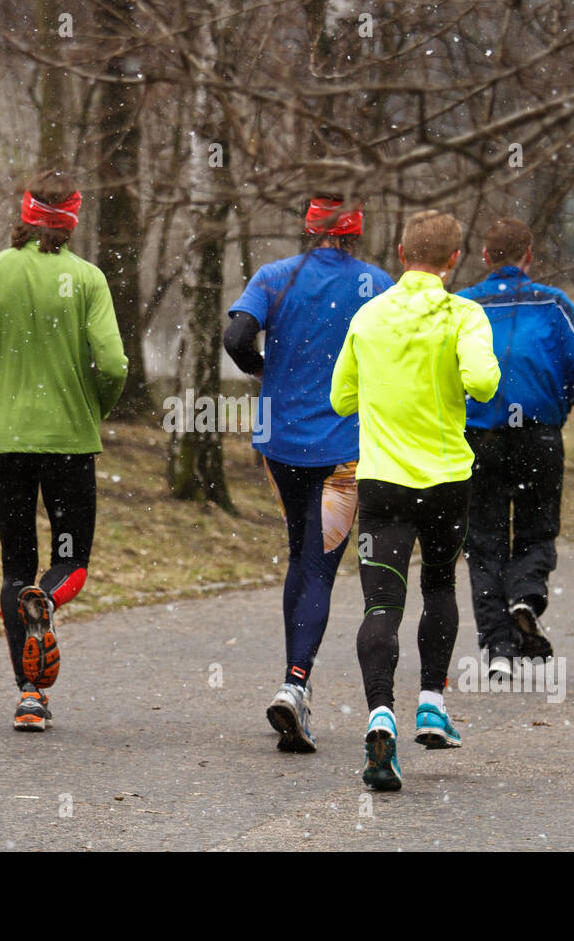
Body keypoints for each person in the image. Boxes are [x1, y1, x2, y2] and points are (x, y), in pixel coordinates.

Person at [0, 170, 127, 732]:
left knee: (14, 564)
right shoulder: (87, 279)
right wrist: (97, 407)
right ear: (71, 220)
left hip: (6, 443)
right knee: (70, 560)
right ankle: (45, 600)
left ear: (23, 217)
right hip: (69, 442)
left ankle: (29, 695)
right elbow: (114, 365)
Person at [330, 210, 499, 791]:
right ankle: (431, 702)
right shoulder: (466, 315)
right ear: (456, 260)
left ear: (401, 252)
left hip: (382, 484)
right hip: (448, 480)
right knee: (439, 587)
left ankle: (381, 716)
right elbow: (483, 383)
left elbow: (341, 398)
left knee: (382, 605)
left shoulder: (368, 314)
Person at [224, 196, 394, 753]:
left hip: (281, 442)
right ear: (357, 232)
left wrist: (261, 369)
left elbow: (235, 338)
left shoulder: (275, 276)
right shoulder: (375, 284)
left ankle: (293, 680)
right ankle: (295, 684)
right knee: (319, 567)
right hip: (345, 448)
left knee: (299, 553)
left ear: (310, 227)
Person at [456, 218, 574, 675]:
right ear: (529, 257)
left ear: (484, 257)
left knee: (483, 540)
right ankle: (526, 596)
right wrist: (562, 403)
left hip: (477, 435)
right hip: (538, 434)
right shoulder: (552, 304)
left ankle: (498, 648)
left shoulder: (462, 306)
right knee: (537, 527)